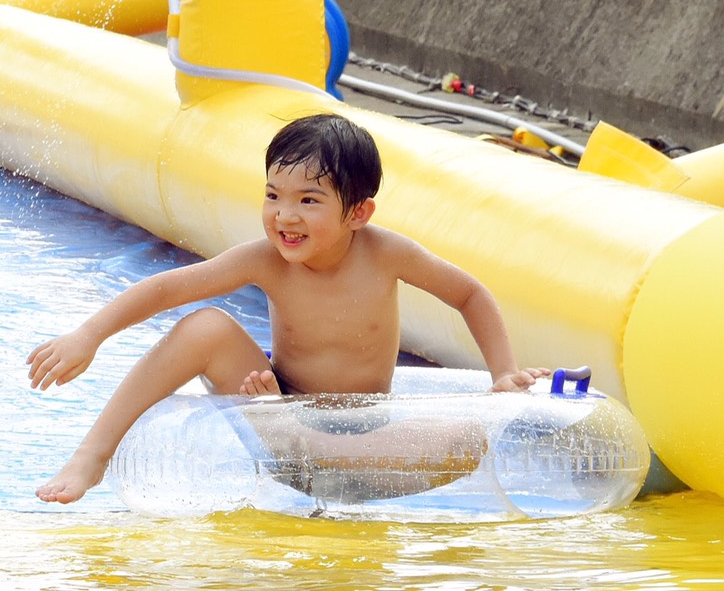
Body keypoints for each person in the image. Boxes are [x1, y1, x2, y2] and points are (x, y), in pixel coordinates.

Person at [27, 112, 549, 504]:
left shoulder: (388, 255)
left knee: (467, 441)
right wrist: (88, 335)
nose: (283, 215)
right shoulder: (266, 261)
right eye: (273, 195)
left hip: (363, 427)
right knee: (205, 325)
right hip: (280, 405)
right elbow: (167, 289)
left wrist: (503, 372)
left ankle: (317, 460)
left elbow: (470, 294)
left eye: (308, 200)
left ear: (359, 213)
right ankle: (90, 458)